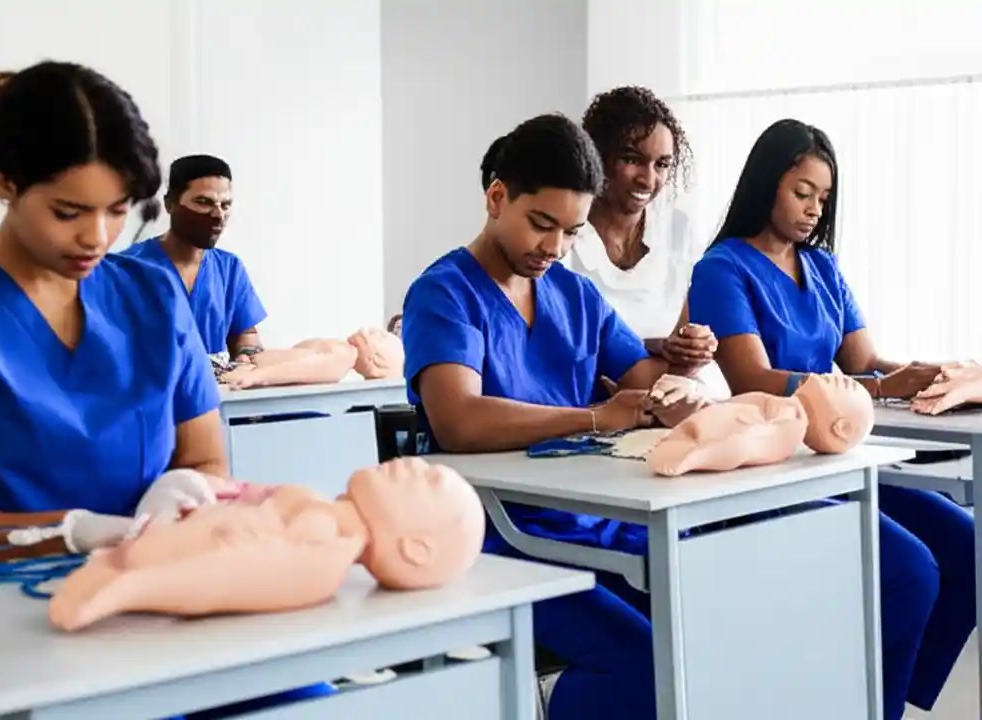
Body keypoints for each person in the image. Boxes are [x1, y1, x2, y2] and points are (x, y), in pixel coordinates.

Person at [0, 60, 329, 720]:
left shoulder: (152, 295)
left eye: (116, 211)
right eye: (68, 212)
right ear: (5, 184)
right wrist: (76, 534)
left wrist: (183, 494)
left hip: (157, 598)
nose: (97, 237)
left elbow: (203, 459)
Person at [400, 113, 706, 719]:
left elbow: (643, 381)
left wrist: (679, 393)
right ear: (496, 197)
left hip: (595, 519)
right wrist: (593, 418)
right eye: (541, 224)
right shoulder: (444, 293)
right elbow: (459, 420)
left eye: (569, 231)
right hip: (497, 538)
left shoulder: (575, 294)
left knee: (710, 623)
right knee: (646, 665)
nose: (554, 248)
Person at [688, 118, 975, 717]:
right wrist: (878, 385)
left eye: (824, 197)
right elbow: (753, 380)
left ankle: (883, 700)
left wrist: (934, 375)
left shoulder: (823, 268)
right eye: (802, 192)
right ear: (767, 183)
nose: (815, 208)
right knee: (914, 573)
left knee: (968, 544)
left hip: (841, 459)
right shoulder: (722, 269)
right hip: (776, 469)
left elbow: (866, 362)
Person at [569, 86, 723, 393]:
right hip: (584, 406)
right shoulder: (564, 235)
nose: (648, 179)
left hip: (660, 401)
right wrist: (652, 348)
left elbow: (680, 356)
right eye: (631, 159)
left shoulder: (679, 230)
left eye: (662, 164)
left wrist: (695, 346)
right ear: (599, 156)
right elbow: (569, 353)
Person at [121, 154, 266, 359]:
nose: (218, 215)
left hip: (216, 388)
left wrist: (246, 357)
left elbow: (245, 333)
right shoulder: (128, 269)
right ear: (170, 204)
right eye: (203, 202)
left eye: (225, 205)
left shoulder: (229, 268)